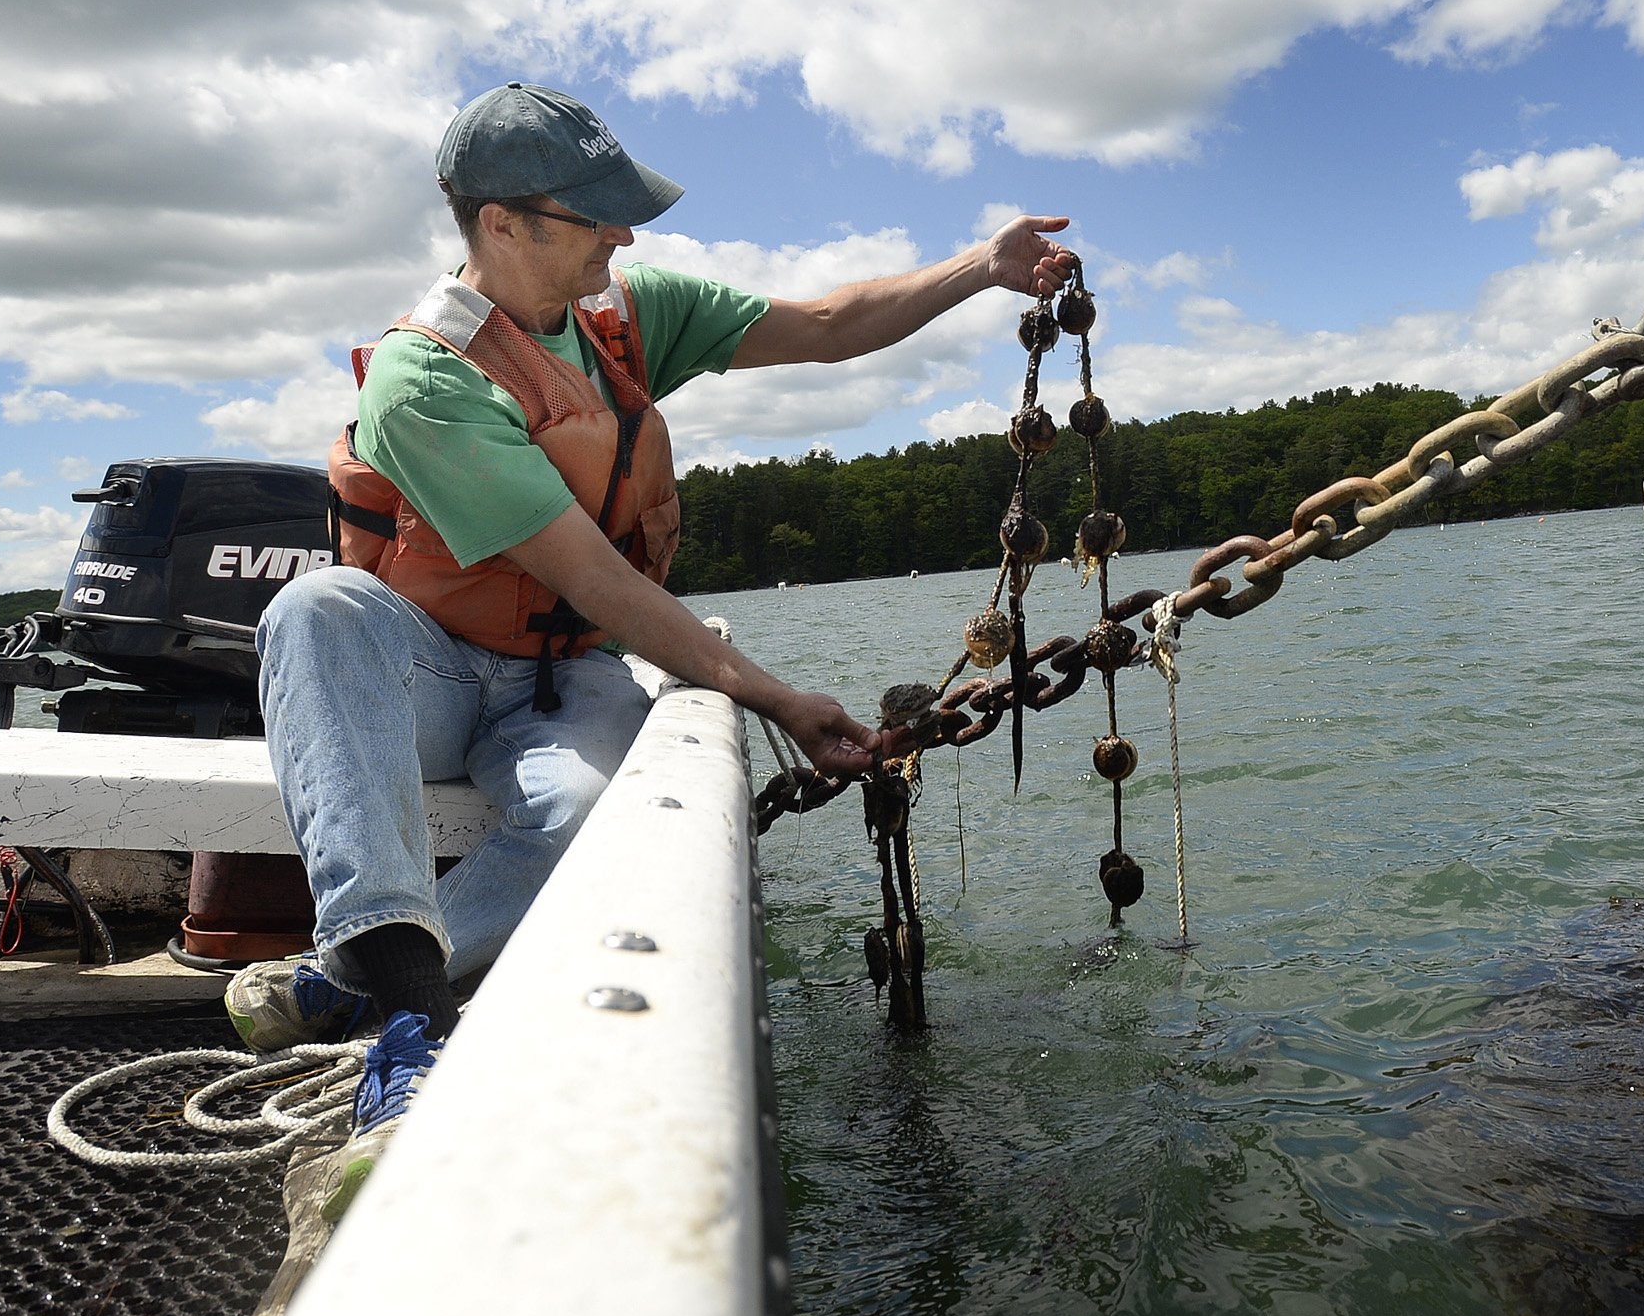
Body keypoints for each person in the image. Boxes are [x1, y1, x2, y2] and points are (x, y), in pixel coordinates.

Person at [231, 80, 1077, 1212]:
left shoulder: (627, 317)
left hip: (563, 672)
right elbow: (595, 575)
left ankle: (344, 973)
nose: (623, 235)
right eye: (592, 214)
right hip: (428, 664)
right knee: (314, 610)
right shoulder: (425, 374)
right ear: (501, 222)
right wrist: (777, 696)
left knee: (588, 824)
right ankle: (408, 1020)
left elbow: (827, 327)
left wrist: (982, 265)